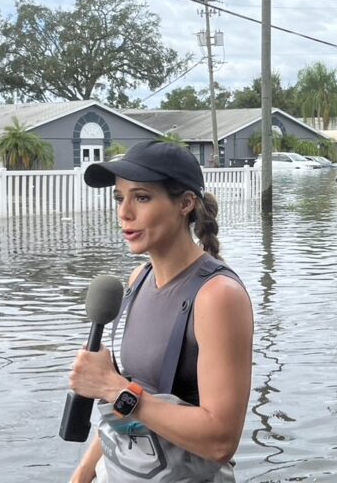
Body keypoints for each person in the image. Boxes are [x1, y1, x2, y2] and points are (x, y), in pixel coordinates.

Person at [68, 140, 254, 483]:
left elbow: (220, 441)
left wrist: (114, 389)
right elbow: (126, 405)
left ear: (185, 203)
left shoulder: (216, 296)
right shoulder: (139, 280)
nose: (124, 212)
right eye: (119, 198)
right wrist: (82, 474)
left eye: (142, 197)